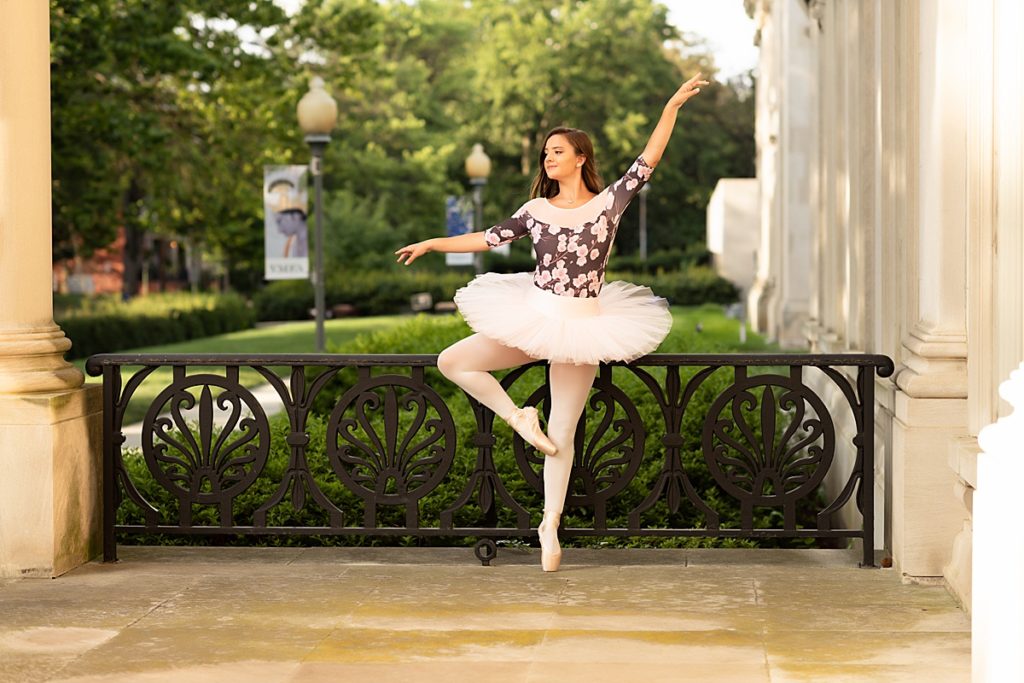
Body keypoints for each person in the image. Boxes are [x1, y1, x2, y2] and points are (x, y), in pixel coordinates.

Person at [395, 73, 710, 572]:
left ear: (581, 158)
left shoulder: (609, 203)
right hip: (536, 315)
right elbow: (487, 238)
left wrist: (670, 106)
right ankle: (518, 417)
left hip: (583, 327)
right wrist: (433, 243)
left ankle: (549, 525)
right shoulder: (536, 210)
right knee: (453, 361)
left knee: (562, 431)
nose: (549, 159)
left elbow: (648, 159)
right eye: (546, 153)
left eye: (557, 151)